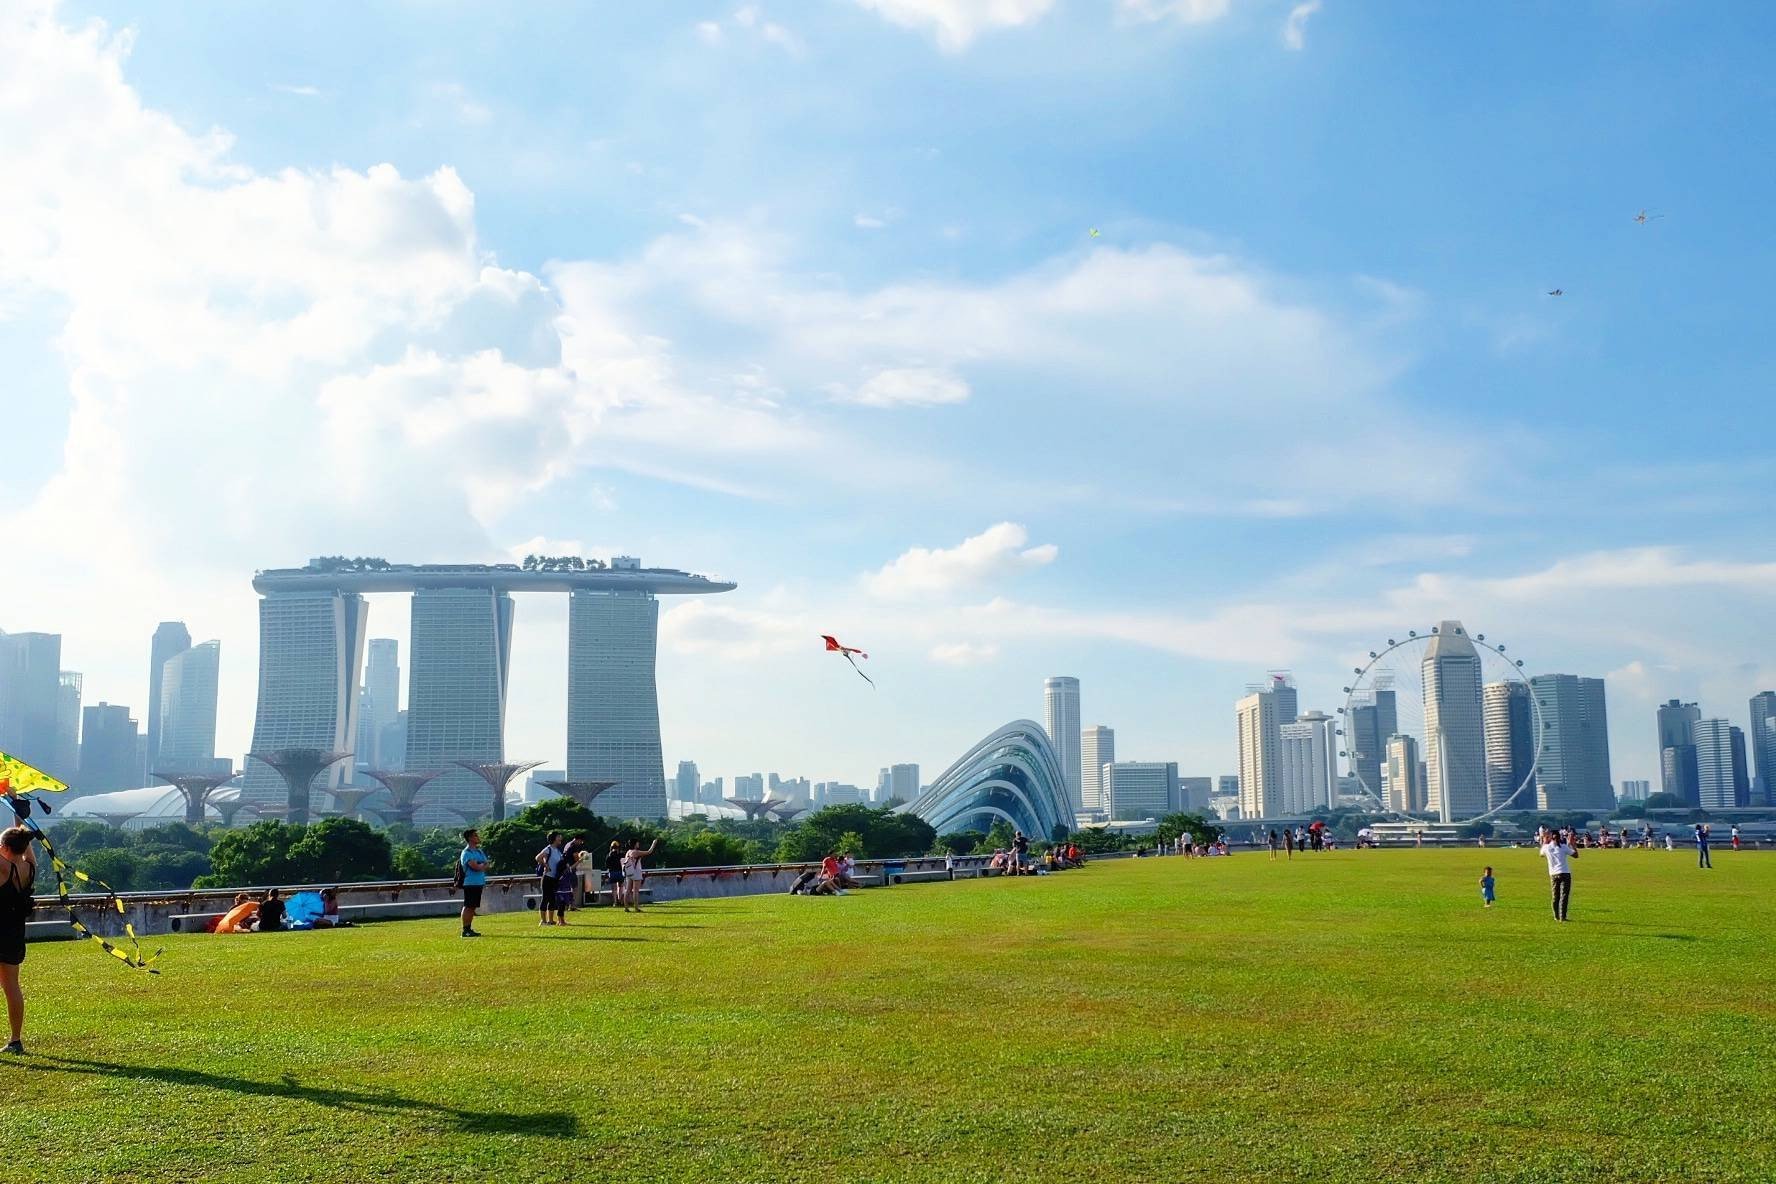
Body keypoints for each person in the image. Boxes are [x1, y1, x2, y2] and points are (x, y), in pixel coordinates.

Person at [0, 827, 37, 1054]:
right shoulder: (29, 868)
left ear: (4, 847)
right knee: (12, 986)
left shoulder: (4, 868)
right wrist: (17, 809)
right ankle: (15, 1040)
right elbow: (26, 843)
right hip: (14, 934)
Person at [1539, 826, 1576, 922]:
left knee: (1555, 896)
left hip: (1553, 874)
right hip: (1565, 873)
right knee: (1564, 896)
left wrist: (1544, 840)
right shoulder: (1563, 847)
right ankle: (1562, 917)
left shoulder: (1547, 848)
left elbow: (1541, 854)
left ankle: (1556, 916)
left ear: (1551, 838)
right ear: (1559, 837)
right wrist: (1572, 844)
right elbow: (1575, 855)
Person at [460, 829, 490, 937]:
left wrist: (480, 865)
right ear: (470, 838)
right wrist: (481, 865)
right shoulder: (466, 853)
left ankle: (469, 928)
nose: (478, 837)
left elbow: (487, 864)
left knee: (473, 906)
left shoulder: (479, 852)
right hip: (470, 883)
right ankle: (465, 929)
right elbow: (475, 866)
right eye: (475, 835)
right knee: (468, 905)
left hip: (479, 882)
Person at [535, 832, 568, 926]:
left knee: (553, 899)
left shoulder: (557, 851)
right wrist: (545, 865)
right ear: (553, 839)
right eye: (558, 837)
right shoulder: (548, 849)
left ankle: (550, 920)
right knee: (545, 898)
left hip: (555, 878)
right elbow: (537, 858)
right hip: (547, 877)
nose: (560, 838)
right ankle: (543, 921)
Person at [621, 836, 658, 912]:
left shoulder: (628, 852)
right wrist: (654, 843)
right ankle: (636, 907)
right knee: (635, 891)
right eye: (637, 843)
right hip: (636, 872)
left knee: (627, 890)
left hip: (629, 873)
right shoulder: (635, 852)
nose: (638, 844)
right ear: (635, 844)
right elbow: (649, 852)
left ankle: (626, 907)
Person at [604, 840, 624, 908]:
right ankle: (620, 900)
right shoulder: (621, 854)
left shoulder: (609, 855)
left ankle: (615, 902)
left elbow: (606, 865)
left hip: (612, 872)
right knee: (620, 886)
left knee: (614, 888)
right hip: (620, 872)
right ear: (618, 847)